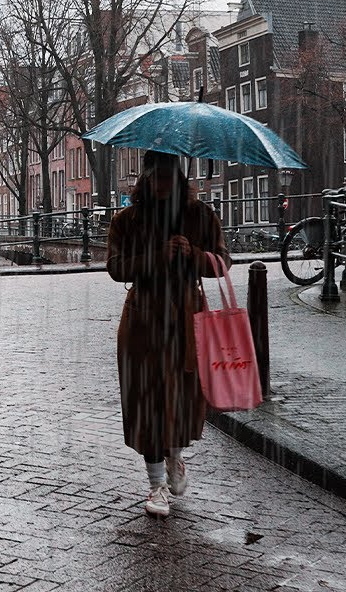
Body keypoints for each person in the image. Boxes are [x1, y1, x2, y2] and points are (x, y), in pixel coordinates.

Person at [106, 151, 229, 518]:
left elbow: (223, 263)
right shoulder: (127, 220)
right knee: (146, 403)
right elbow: (115, 268)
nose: (160, 183)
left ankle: (175, 455)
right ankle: (156, 485)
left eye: (166, 177)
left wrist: (194, 254)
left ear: (177, 178)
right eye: (154, 177)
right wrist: (156, 256)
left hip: (185, 322)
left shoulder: (200, 216)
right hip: (142, 324)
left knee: (180, 400)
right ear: (145, 179)